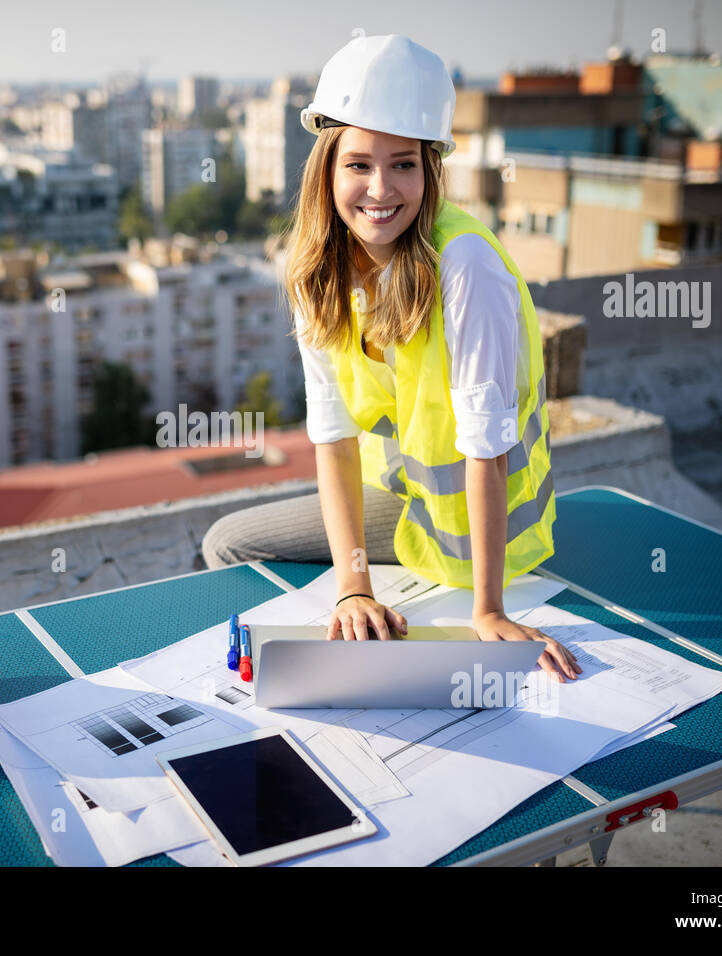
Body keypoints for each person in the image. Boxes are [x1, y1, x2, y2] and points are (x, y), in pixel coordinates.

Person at [202, 34, 579, 683]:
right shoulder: (314, 270)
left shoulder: (465, 266)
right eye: (359, 165)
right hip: (401, 503)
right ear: (327, 167)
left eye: (403, 164)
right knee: (226, 542)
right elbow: (335, 439)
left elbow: (487, 448)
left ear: (431, 169)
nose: (381, 189)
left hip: (477, 531)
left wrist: (488, 610)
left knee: (234, 546)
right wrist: (352, 590)